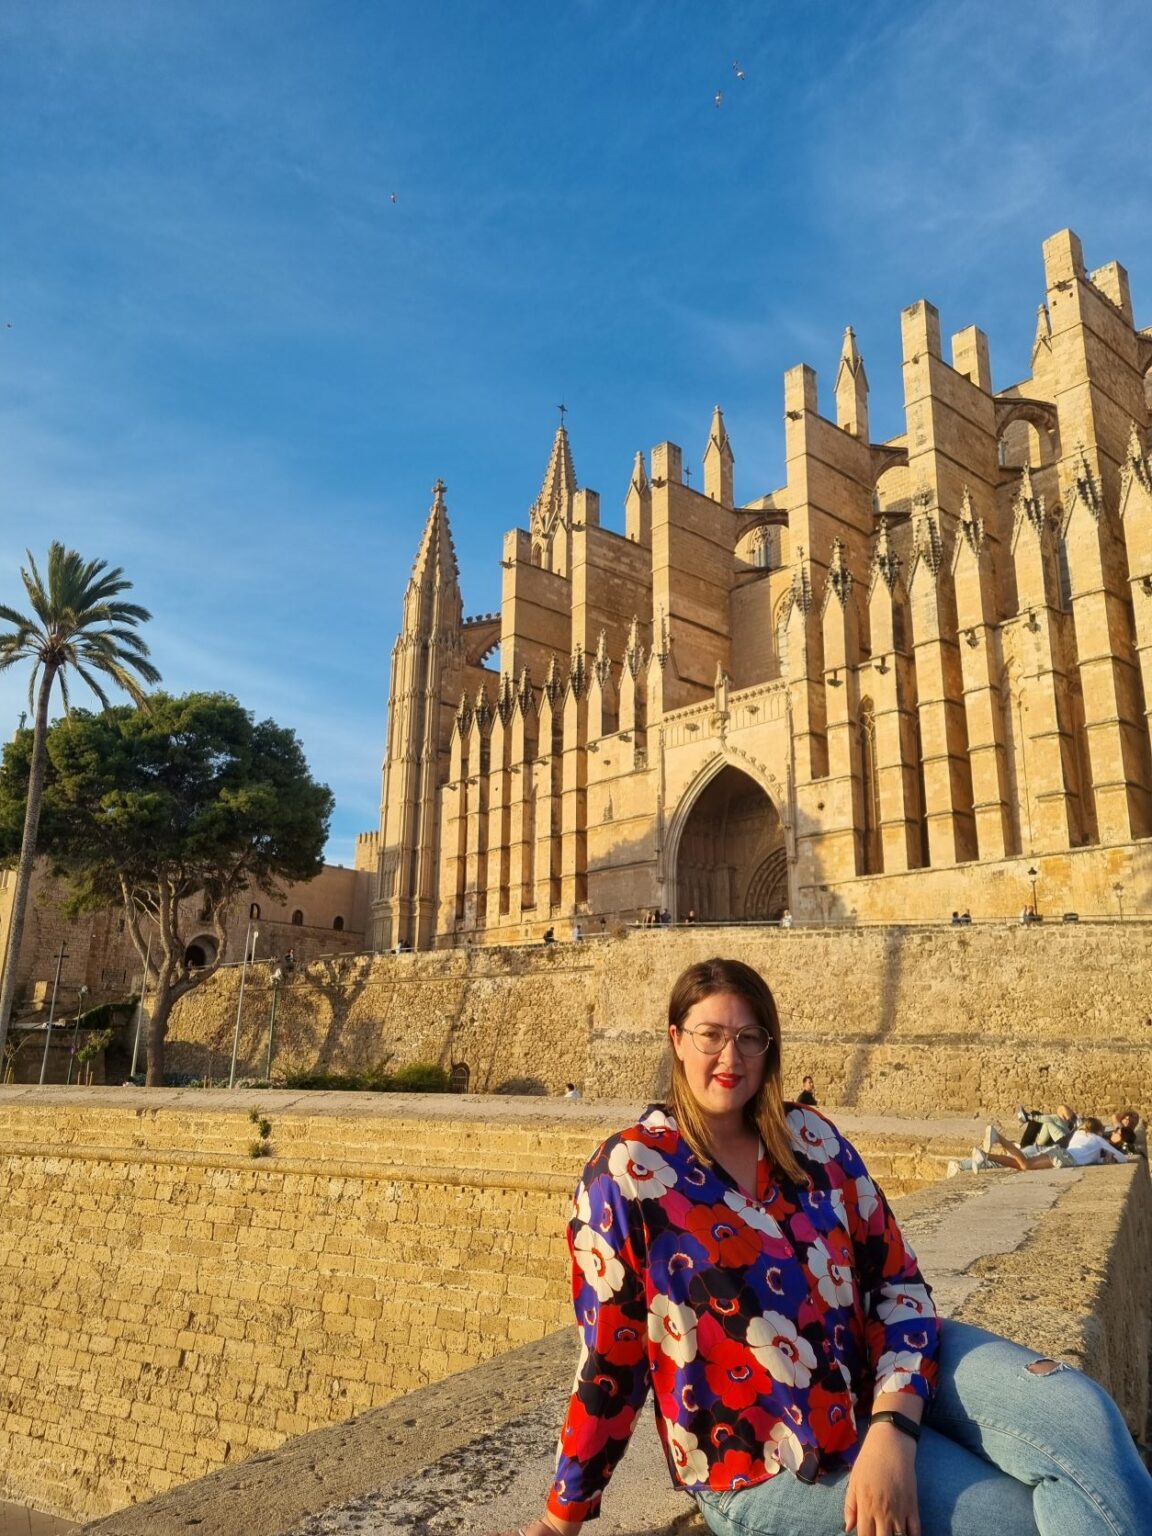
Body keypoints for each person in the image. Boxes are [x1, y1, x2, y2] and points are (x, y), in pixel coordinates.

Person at [493, 958, 1152, 1536]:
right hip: (765, 1456)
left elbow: (898, 1283)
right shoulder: (628, 1171)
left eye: (749, 1038)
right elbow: (612, 1360)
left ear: (770, 1048)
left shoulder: (811, 1138)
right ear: (676, 1040)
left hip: (882, 1372)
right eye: (711, 1036)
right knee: (1013, 1519)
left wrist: (893, 1429)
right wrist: (562, 1516)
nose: (731, 1057)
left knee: (1082, 1414)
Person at [953, 1117, 1132, 1175]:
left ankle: (985, 1156)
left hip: (1061, 1154)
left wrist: (1104, 1159)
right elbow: (1124, 1159)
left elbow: (1090, 1155)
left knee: (1019, 1164)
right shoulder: (1097, 1139)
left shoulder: (1081, 1133)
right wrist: (1113, 1158)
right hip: (1064, 1157)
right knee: (1025, 1165)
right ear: (1098, 1130)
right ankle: (997, 1137)